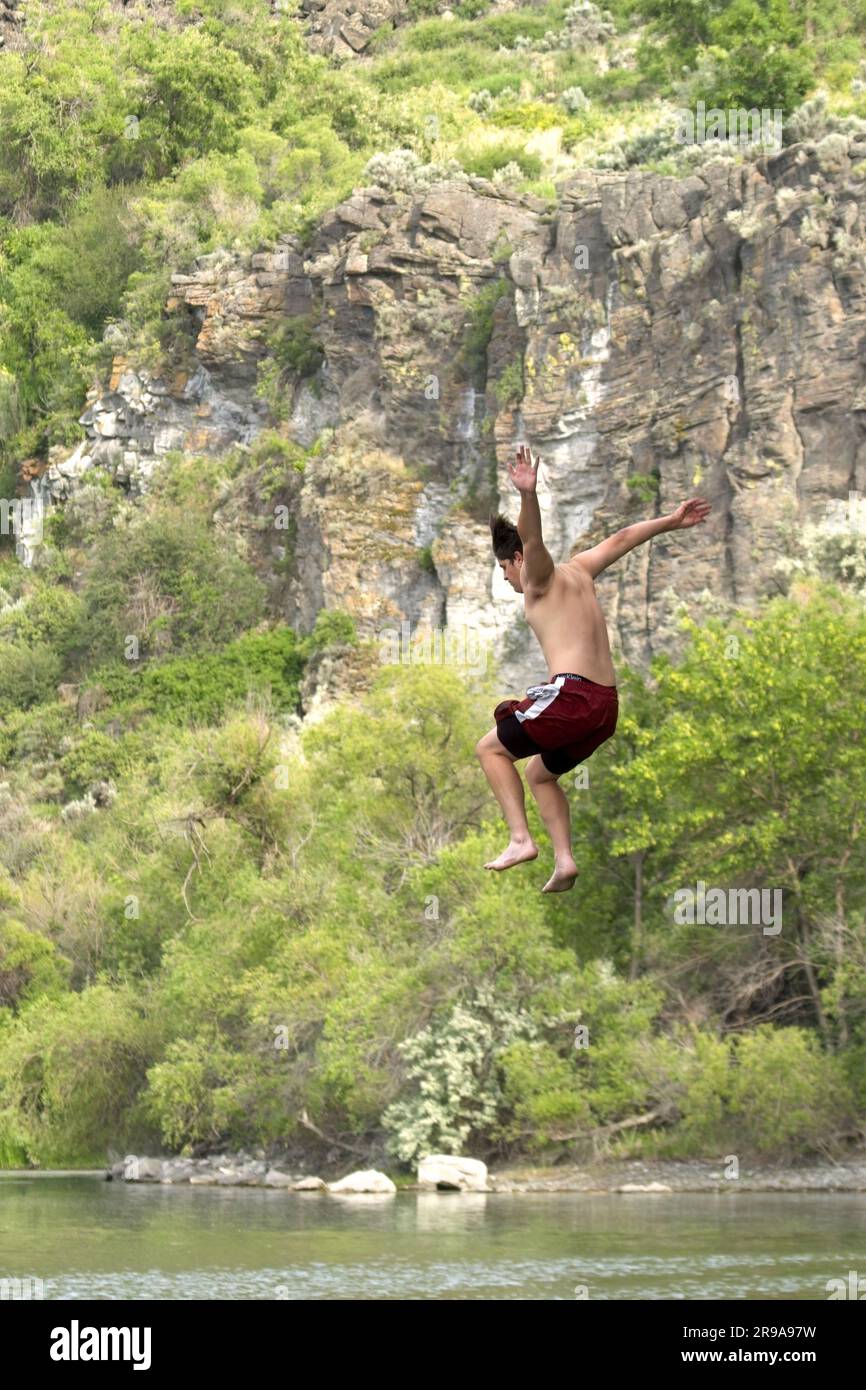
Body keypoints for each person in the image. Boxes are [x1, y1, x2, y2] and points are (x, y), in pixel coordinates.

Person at [476, 444, 711, 892]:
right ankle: (564, 861)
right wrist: (671, 522)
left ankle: (520, 839)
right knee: (539, 773)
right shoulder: (581, 569)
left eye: (504, 569)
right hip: (605, 709)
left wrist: (528, 496)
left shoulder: (538, 579)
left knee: (490, 750)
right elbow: (622, 538)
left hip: (575, 696)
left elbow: (533, 543)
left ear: (516, 562)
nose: (507, 580)